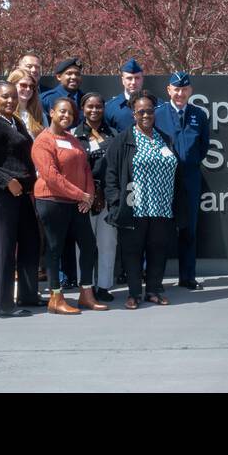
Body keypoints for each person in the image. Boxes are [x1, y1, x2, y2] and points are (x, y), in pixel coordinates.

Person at [104, 92, 186, 310]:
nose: (146, 114)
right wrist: (114, 203)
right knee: (132, 251)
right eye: (141, 111)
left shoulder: (165, 138)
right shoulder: (123, 141)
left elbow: (177, 172)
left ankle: (154, 290)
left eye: (150, 110)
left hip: (162, 207)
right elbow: (111, 175)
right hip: (134, 207)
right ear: (134, 114)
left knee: (158, 249)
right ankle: (133, 293)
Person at [0, 81, 43, 317]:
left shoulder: (16, 122)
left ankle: (28, 295)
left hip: (22, 192)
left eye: (13, 97)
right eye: (5, 97)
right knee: (4, 246)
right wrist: (5, 181)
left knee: (31, 241)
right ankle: (2, 305)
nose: (10, 101)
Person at [33, 97, 108, 313]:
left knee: (88, 246)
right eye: (62, 112)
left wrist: (89, 195)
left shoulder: (72, 139)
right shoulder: (43, 141)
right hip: (52, 201)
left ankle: (86, 294)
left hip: (77, 202)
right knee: (55, 249)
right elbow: (51, 176)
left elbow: (85, 167)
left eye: (70, 113)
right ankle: (55, 298)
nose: (66, 116)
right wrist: (80, 195)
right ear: (51, 112)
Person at [155, 72, 211, 290]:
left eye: (184, 89)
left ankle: (187, 277)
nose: (180, 94)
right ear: (169, 90)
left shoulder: (199, 114)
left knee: (189, 230)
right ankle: (155, 280)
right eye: (176, 89)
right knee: (159, 231)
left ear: (190, 91)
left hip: (190, 179)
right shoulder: (158, 114)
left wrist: (190, 162)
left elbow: (203, 146)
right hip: (163, 179)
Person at [74, 92, 118, 301]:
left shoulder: (114, 135)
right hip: (84, 197)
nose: (94, 110)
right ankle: (86, 285)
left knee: (107, 242)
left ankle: (104, 286)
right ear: (83, 109)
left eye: (98, 106)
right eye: (90, 106)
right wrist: (84, 193)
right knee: (84, 244)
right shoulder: (73, 135)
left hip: (107, 196)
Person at [40, 57, 84, 126]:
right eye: (69, 73)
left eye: (77, 74)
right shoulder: (46, 99)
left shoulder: (85, 99)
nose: (74, 77)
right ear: (59, 77)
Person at [104, 58, 145, 133]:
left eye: (137, 78)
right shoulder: (110, 108)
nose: (133, 82)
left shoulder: (156, 105)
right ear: (123, 80)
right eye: (129, 78)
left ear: (142, 79)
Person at [7, 69, 46, 138]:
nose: (28, 89)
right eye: (23, 85)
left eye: (31, 86)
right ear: (12, 85)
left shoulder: (40, 114)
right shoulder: (5, 113)